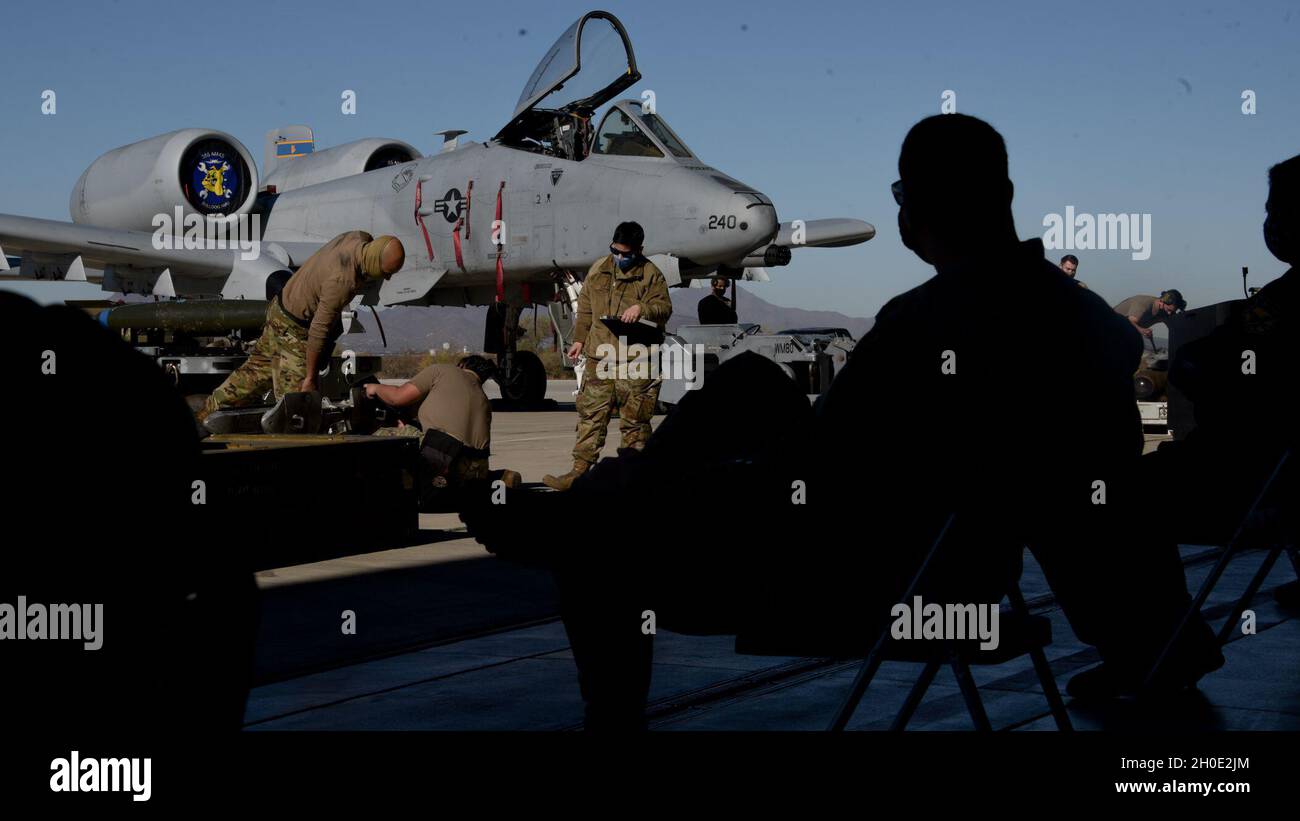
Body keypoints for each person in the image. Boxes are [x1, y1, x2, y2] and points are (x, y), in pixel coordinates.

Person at [196, 232, 405, 423]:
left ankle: (204, 415)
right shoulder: (343, 281)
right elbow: (318, 330)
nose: (386, 278)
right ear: (375, 262)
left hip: (279, 309)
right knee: (295, 407)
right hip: (293, 329)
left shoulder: (358, 238)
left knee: (254, 373)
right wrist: (310, 377)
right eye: (385, 272)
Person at [543, 221, 672, 491]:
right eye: (616, 251)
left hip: (636, 360)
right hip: (599, 357)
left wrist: (642, 308)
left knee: (635, 424)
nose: (621, 258)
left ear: (639, 250)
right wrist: (579, 340)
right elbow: (586, 309)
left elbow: (664, 308)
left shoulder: (651, 274)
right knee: (590, 417)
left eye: (627, 254)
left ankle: (633, 480)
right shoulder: (599, 270)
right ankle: (578, 474)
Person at [366, 355, 519, 500]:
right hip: (476, 470)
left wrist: (375, 388)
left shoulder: (441, 371)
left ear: (461, 365)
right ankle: (495, 479)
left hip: (442, 460)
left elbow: (397, 397)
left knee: (378, 437)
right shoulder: (484, 400)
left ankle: (393, 487)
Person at [1113, 290, 1186, 339]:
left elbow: (1173, 326)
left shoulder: (1165, 312)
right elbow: (1129, 322)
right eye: (1169, 310)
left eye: (1172, 311)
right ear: (1161, 303)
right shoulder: (1143, 304)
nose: (1169, 313)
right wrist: (1142, 330)